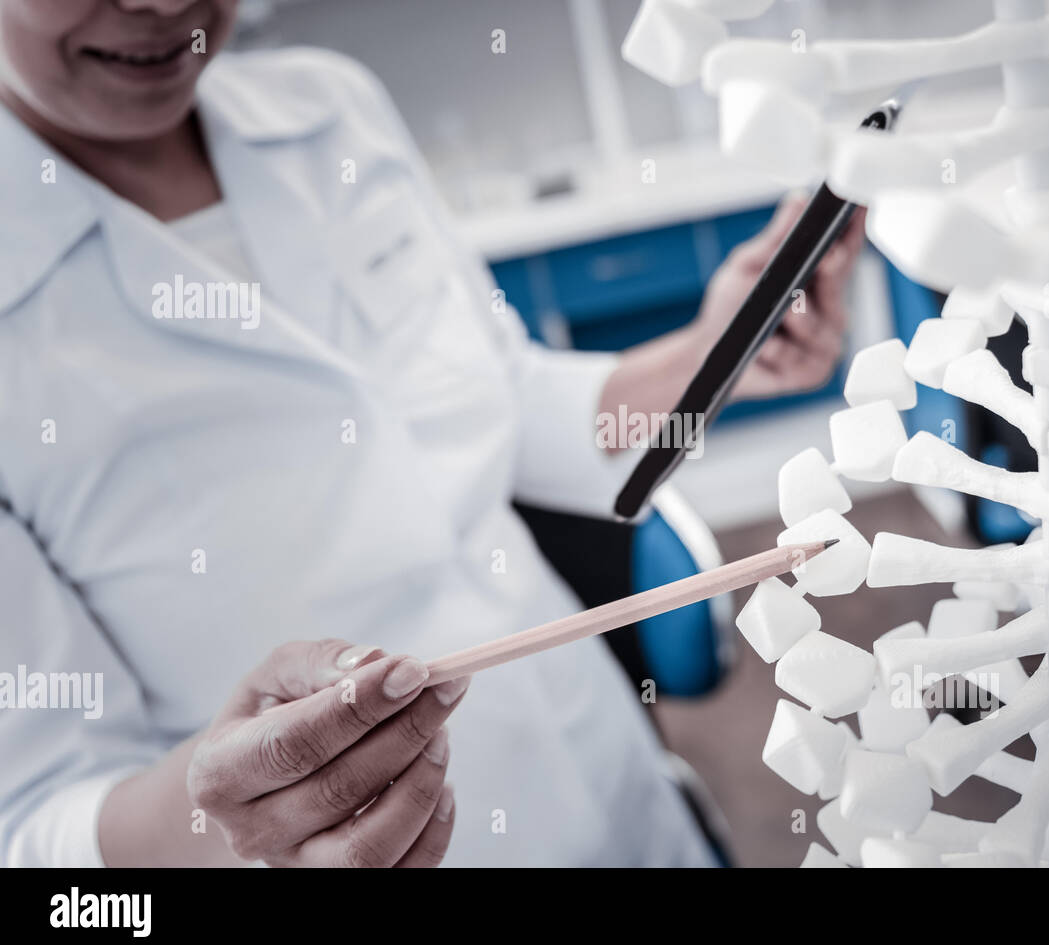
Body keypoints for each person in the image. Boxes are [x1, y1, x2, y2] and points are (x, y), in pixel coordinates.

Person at [0, 0, 865, 867]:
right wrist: (227, 812)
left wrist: (712, 356)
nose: (161, 5)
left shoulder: (332, 111)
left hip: (606, 772)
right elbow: (34, 824)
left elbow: (501, 405)